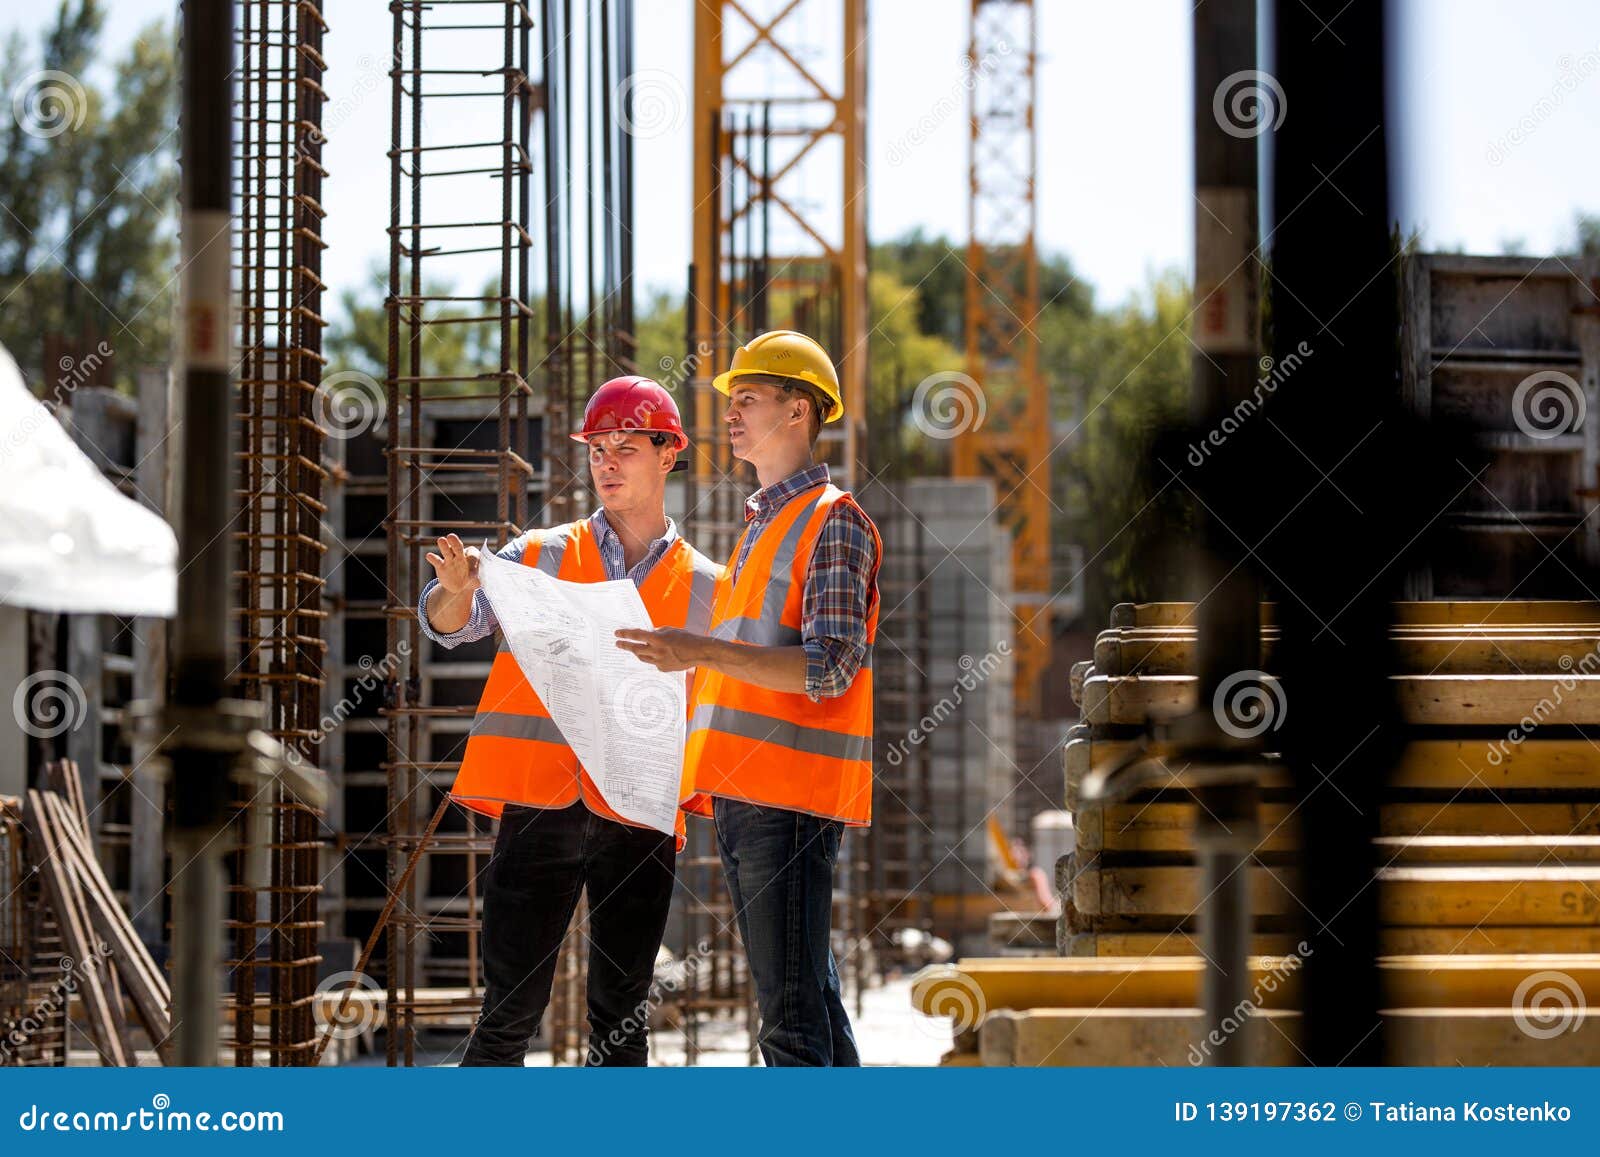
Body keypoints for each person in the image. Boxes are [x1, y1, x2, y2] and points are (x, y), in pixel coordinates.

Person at [420, 376, 719, 1066]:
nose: (607, 463)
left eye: (626, 448)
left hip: (640, 818)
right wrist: (454, 594)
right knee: (508, 1016)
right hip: (540, 803)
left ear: (668, 453)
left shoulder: (708, 586)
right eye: (597, 451)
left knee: (621, 1026)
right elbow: (452, 624)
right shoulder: (539, 553)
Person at [616, 330, 881, 1066]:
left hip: (787, 799)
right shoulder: (762, 525)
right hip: (746, 793)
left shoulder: (833, 519)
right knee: (810, 1003)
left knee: (789, 1021)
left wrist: (697, 649)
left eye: (748, 400)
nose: (729, 414)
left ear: (799, 410)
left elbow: (829, 667)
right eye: (731, 401)